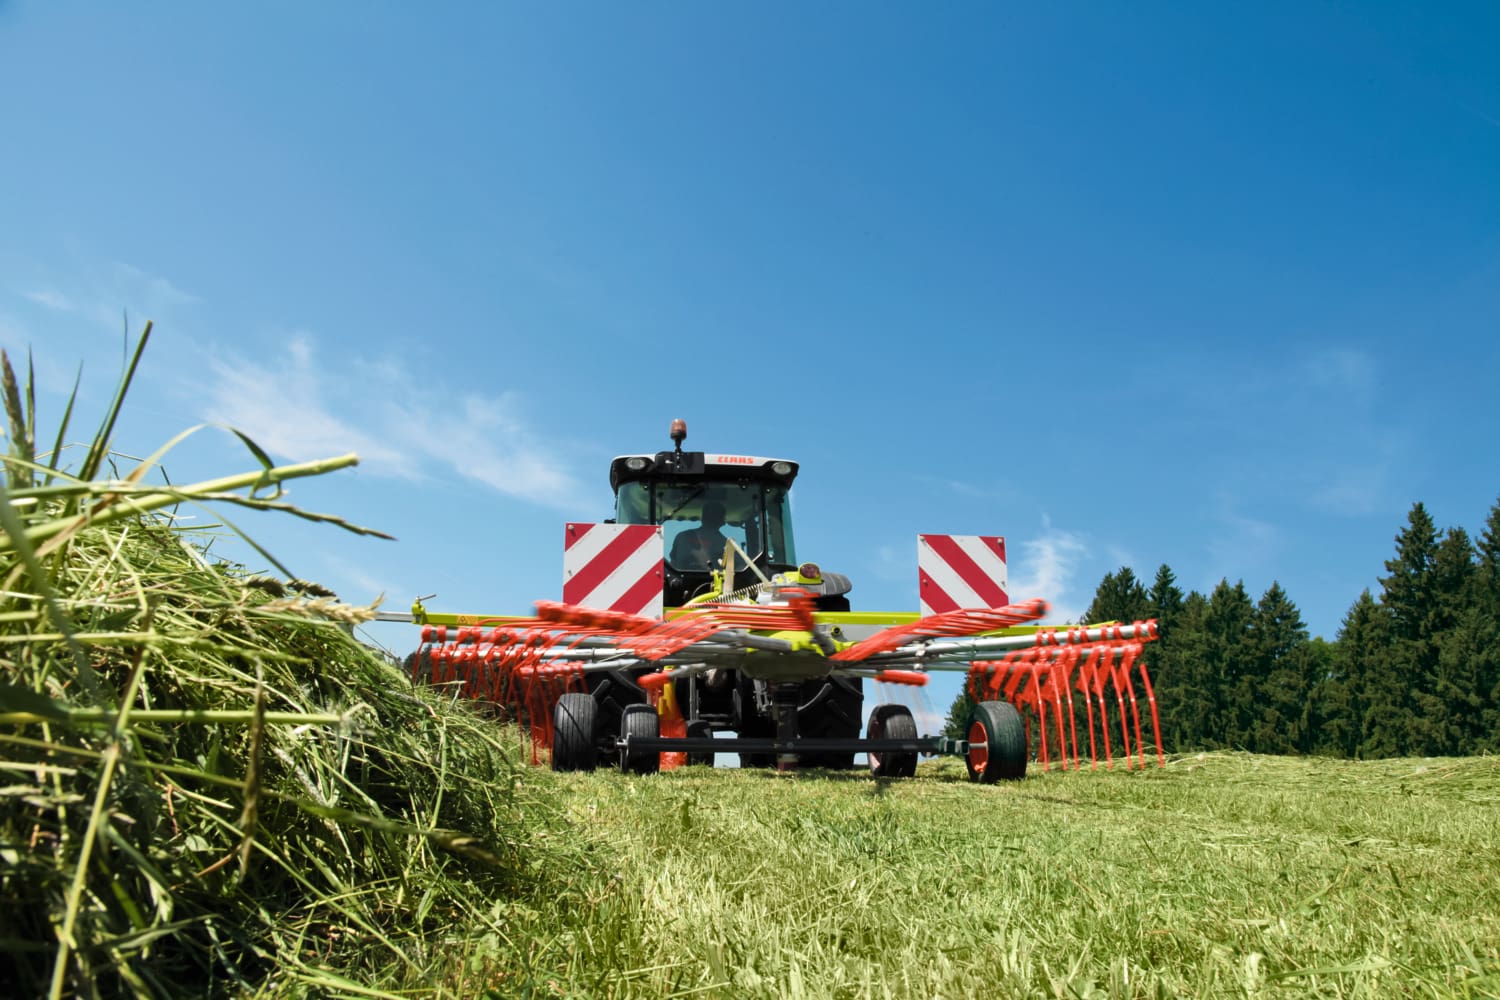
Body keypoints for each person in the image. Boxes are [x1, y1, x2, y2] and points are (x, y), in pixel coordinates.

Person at [671, 500, 730, 570]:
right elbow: (738, 567)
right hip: (714, 580)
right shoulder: (725, 543)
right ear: (722, 521)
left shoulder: (682, 537)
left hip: (681, 580)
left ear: (702, 518)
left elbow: (673, 563)